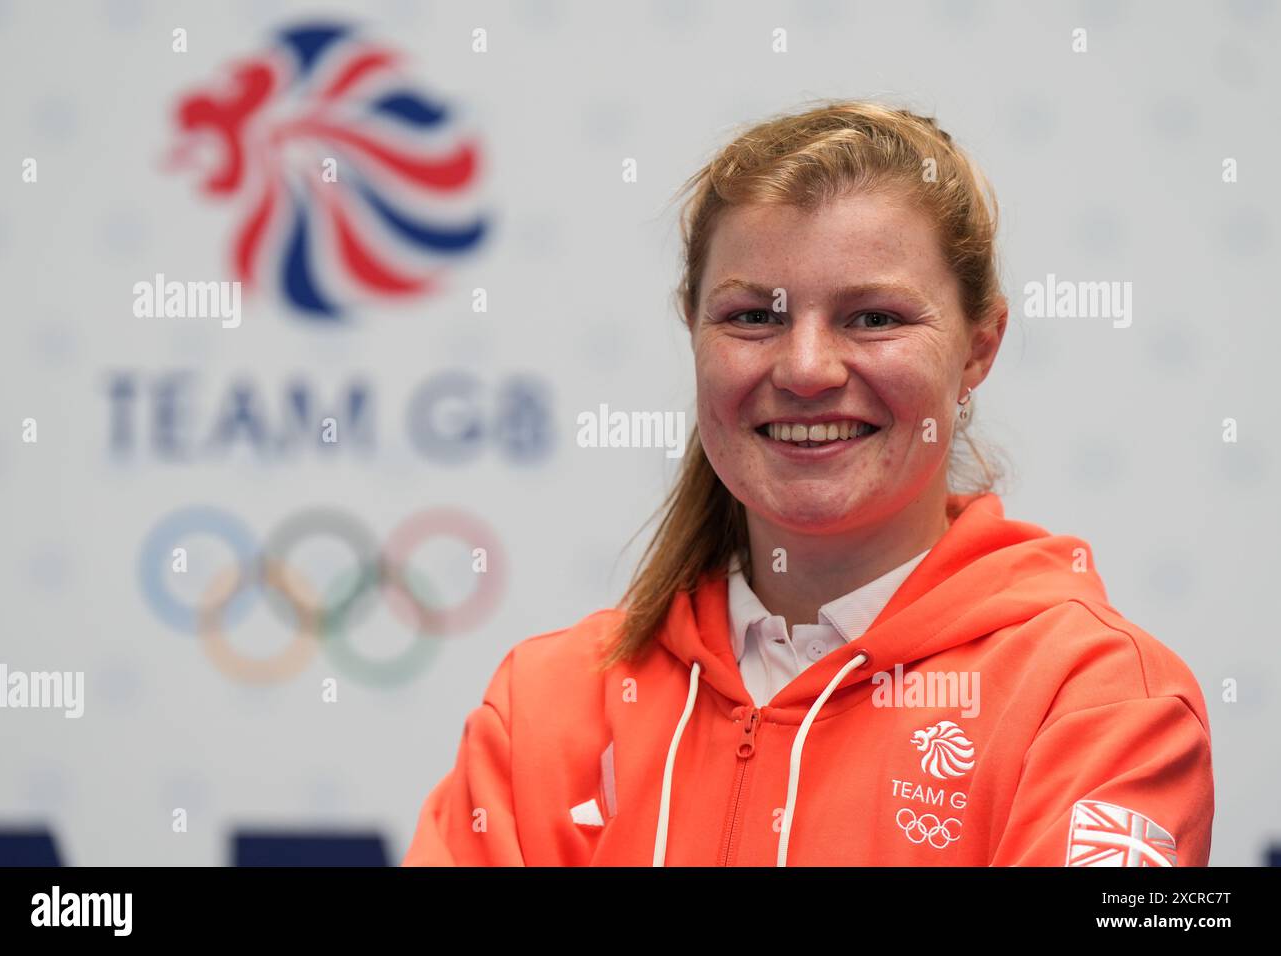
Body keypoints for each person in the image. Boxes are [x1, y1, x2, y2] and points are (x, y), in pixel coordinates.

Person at [402, 100, 1214, 866]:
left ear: (978, 349)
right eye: (754, 316)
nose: (807, 369)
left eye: (874, 318)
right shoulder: (545, 708)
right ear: (694, 331)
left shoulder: (1098, 702)